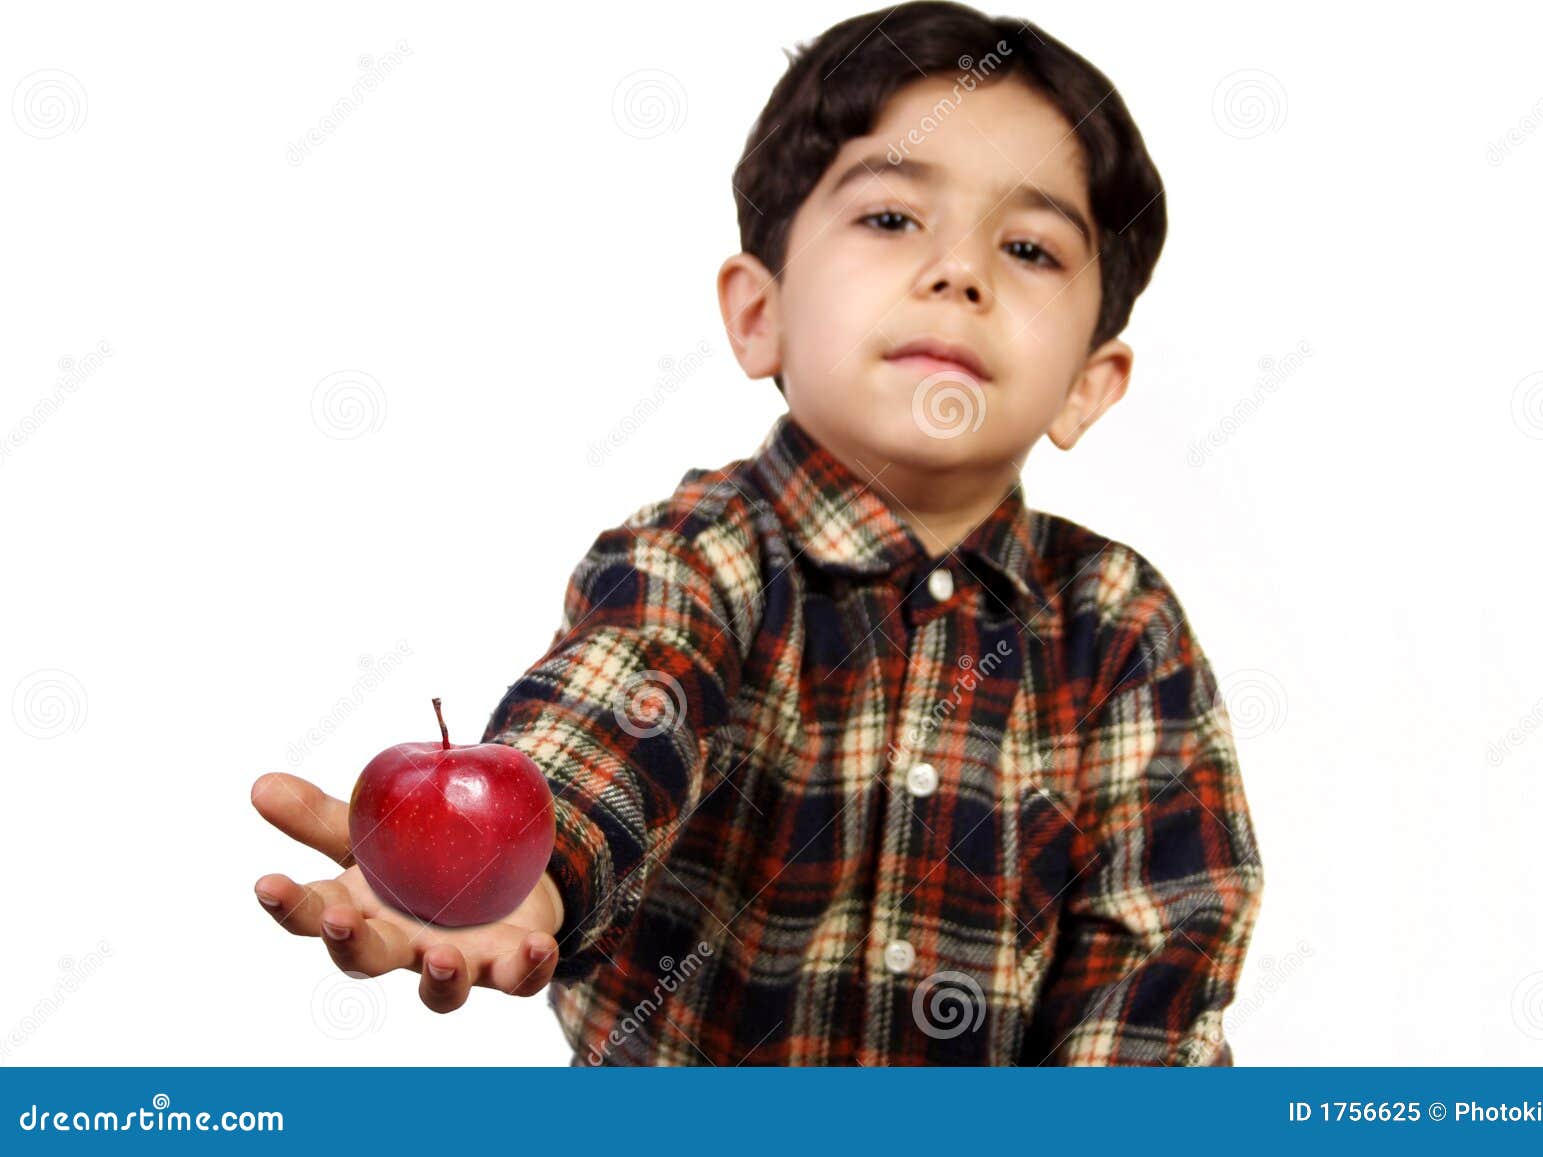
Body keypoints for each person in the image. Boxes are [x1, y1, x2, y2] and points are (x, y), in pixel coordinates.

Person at [253, 0, 1264, 1066]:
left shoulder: (1119, 625)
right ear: (758, 313)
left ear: (1088, 384)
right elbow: (619, 699)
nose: (958, 273)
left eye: (1027, 247)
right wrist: (518, 863)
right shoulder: (700, 553)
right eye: (889, 220)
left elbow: (1161, 947)